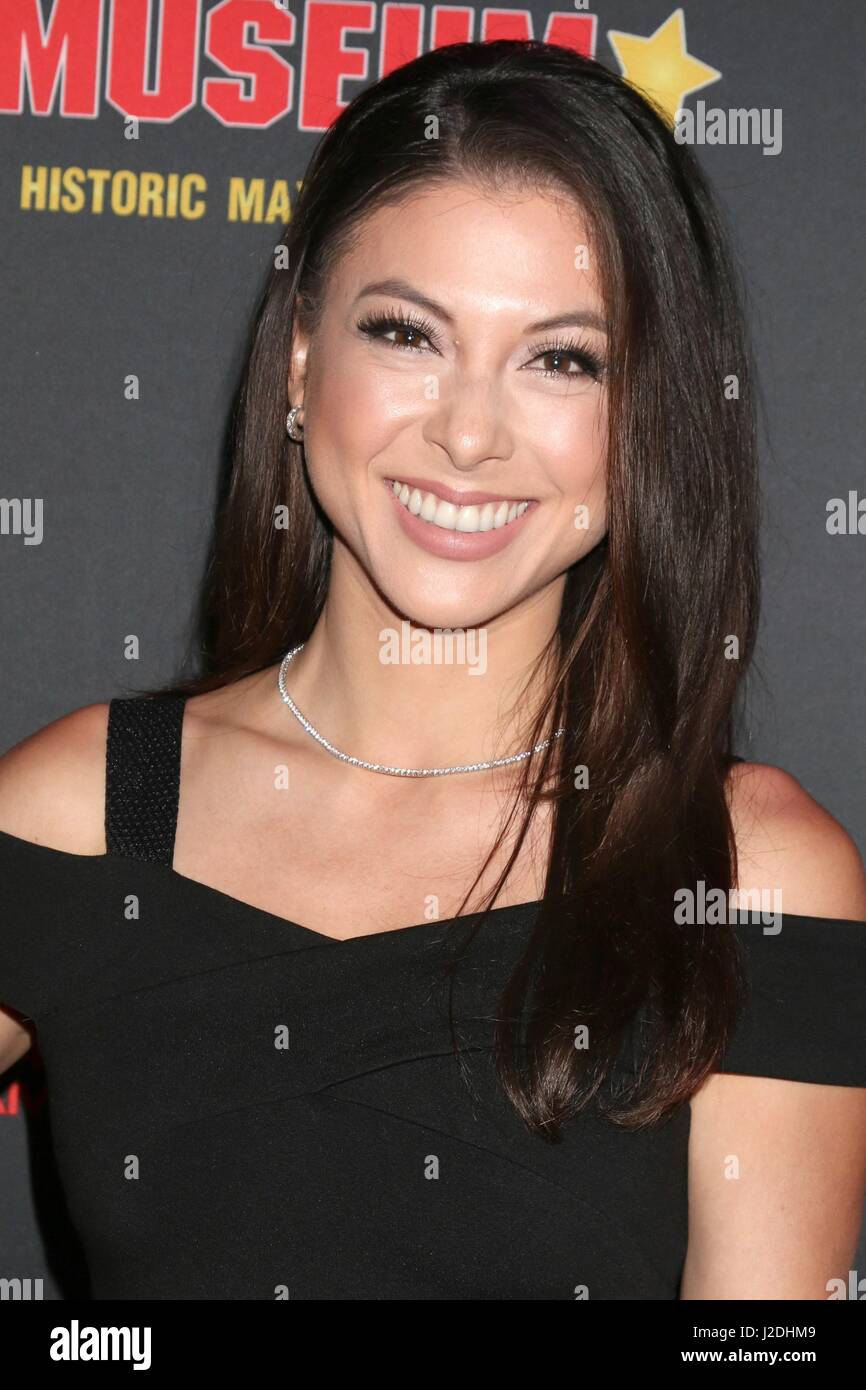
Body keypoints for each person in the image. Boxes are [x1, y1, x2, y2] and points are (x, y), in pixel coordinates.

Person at [1, 39, 864, 1301]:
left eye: (562, 358)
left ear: (644, 418)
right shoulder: (93, 806)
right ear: (302, 361)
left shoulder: (743, 874)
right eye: (407, 333)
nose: (467, 433)